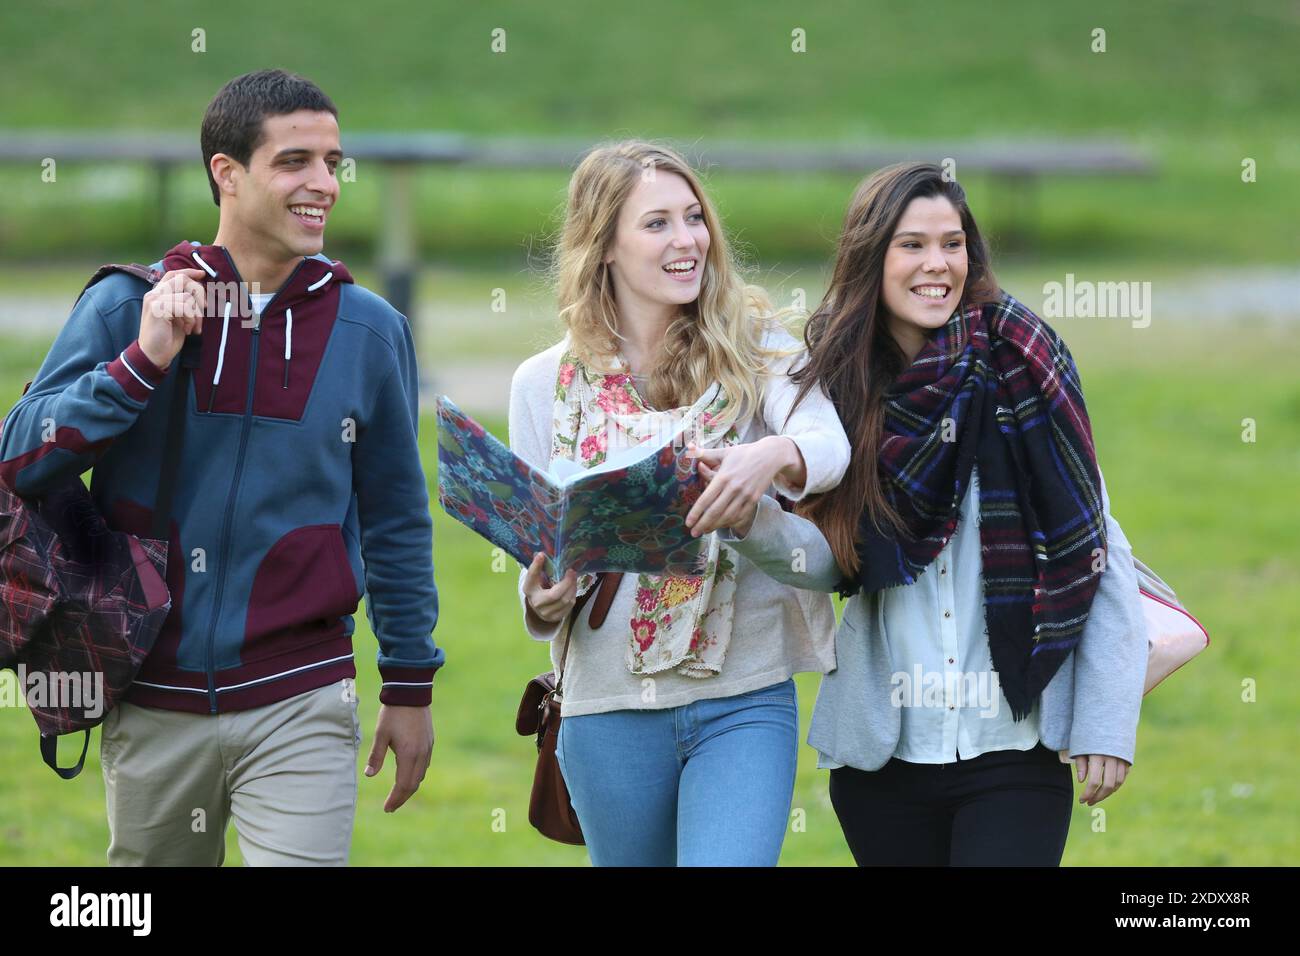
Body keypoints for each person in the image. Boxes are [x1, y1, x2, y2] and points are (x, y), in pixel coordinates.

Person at [0, 69, 443, 865]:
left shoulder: (371, 332)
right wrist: (143, 362)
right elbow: (21, 456)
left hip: (304, 693)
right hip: (150, 698)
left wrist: (409, 684)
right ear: (226, 174)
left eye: (334, 163)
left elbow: (397, 520)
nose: (323, 185)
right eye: (295, 161)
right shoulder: (123, 307)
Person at [703, 162, 1147, 866]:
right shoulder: (835, 386)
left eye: (952, 242)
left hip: (1014, 744)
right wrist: (750, 520)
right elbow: (830, 562)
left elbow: (1095, 543)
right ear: (870, 257)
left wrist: (1105, 718)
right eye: (912, 245)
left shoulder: (1025, 360)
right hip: (882, 758)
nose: (937, 264)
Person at [508, 140, 850, 866]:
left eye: (694, 218)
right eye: (657, 224)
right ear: (603, 245)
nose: (688, 240)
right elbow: (542, 544)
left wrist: (769, 456)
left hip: (744, 697)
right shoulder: (544, 385)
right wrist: (540, 598)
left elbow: (829, 445)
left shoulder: (756, 349)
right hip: (606, 708)